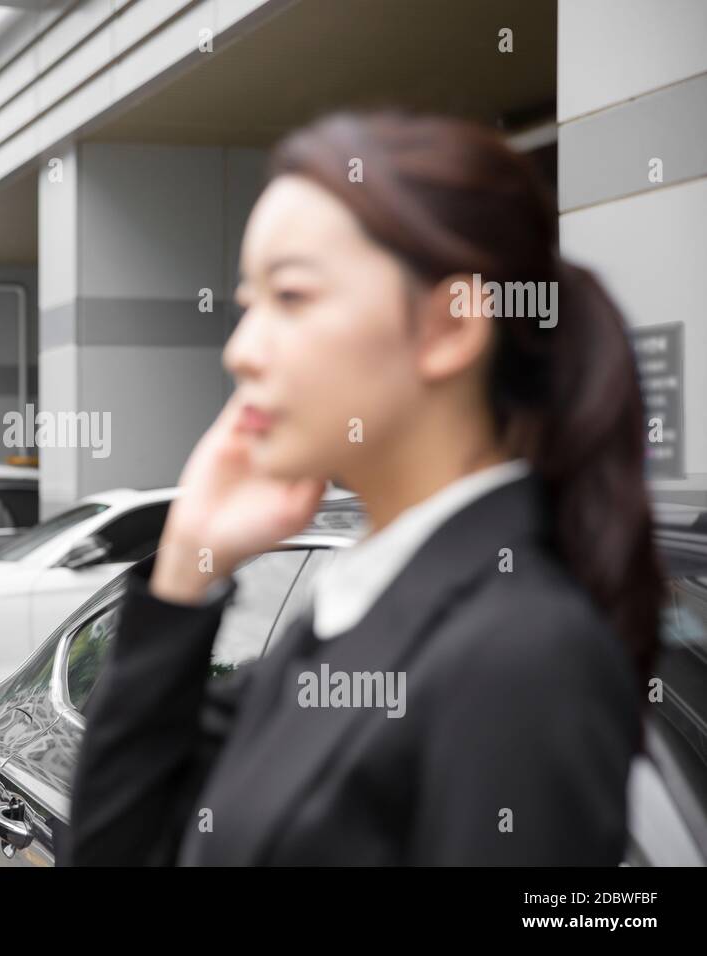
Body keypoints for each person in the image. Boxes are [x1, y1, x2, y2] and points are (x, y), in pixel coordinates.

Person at [60, 110, 662, 866]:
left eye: (293, 297)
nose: (242, 350)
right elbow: (119, 850)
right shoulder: (353, 607)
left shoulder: (521, 653)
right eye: (249, 305)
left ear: (449, 327)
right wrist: (186, 565)